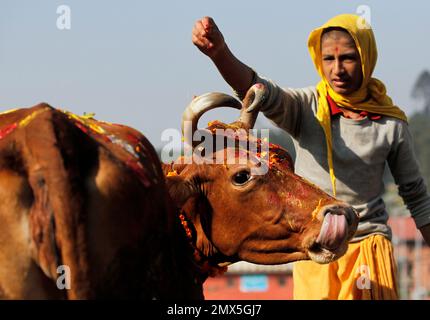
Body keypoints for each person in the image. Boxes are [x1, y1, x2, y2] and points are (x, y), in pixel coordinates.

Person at [192, 13, 430, 300]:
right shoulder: (308, 107)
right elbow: (257, 89)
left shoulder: (391, 124)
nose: (337, 69)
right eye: (329, 59)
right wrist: (220, 53)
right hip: (315, 249)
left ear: (366, 58)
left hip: (367, 250)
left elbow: (415, 196)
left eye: (348, 58)